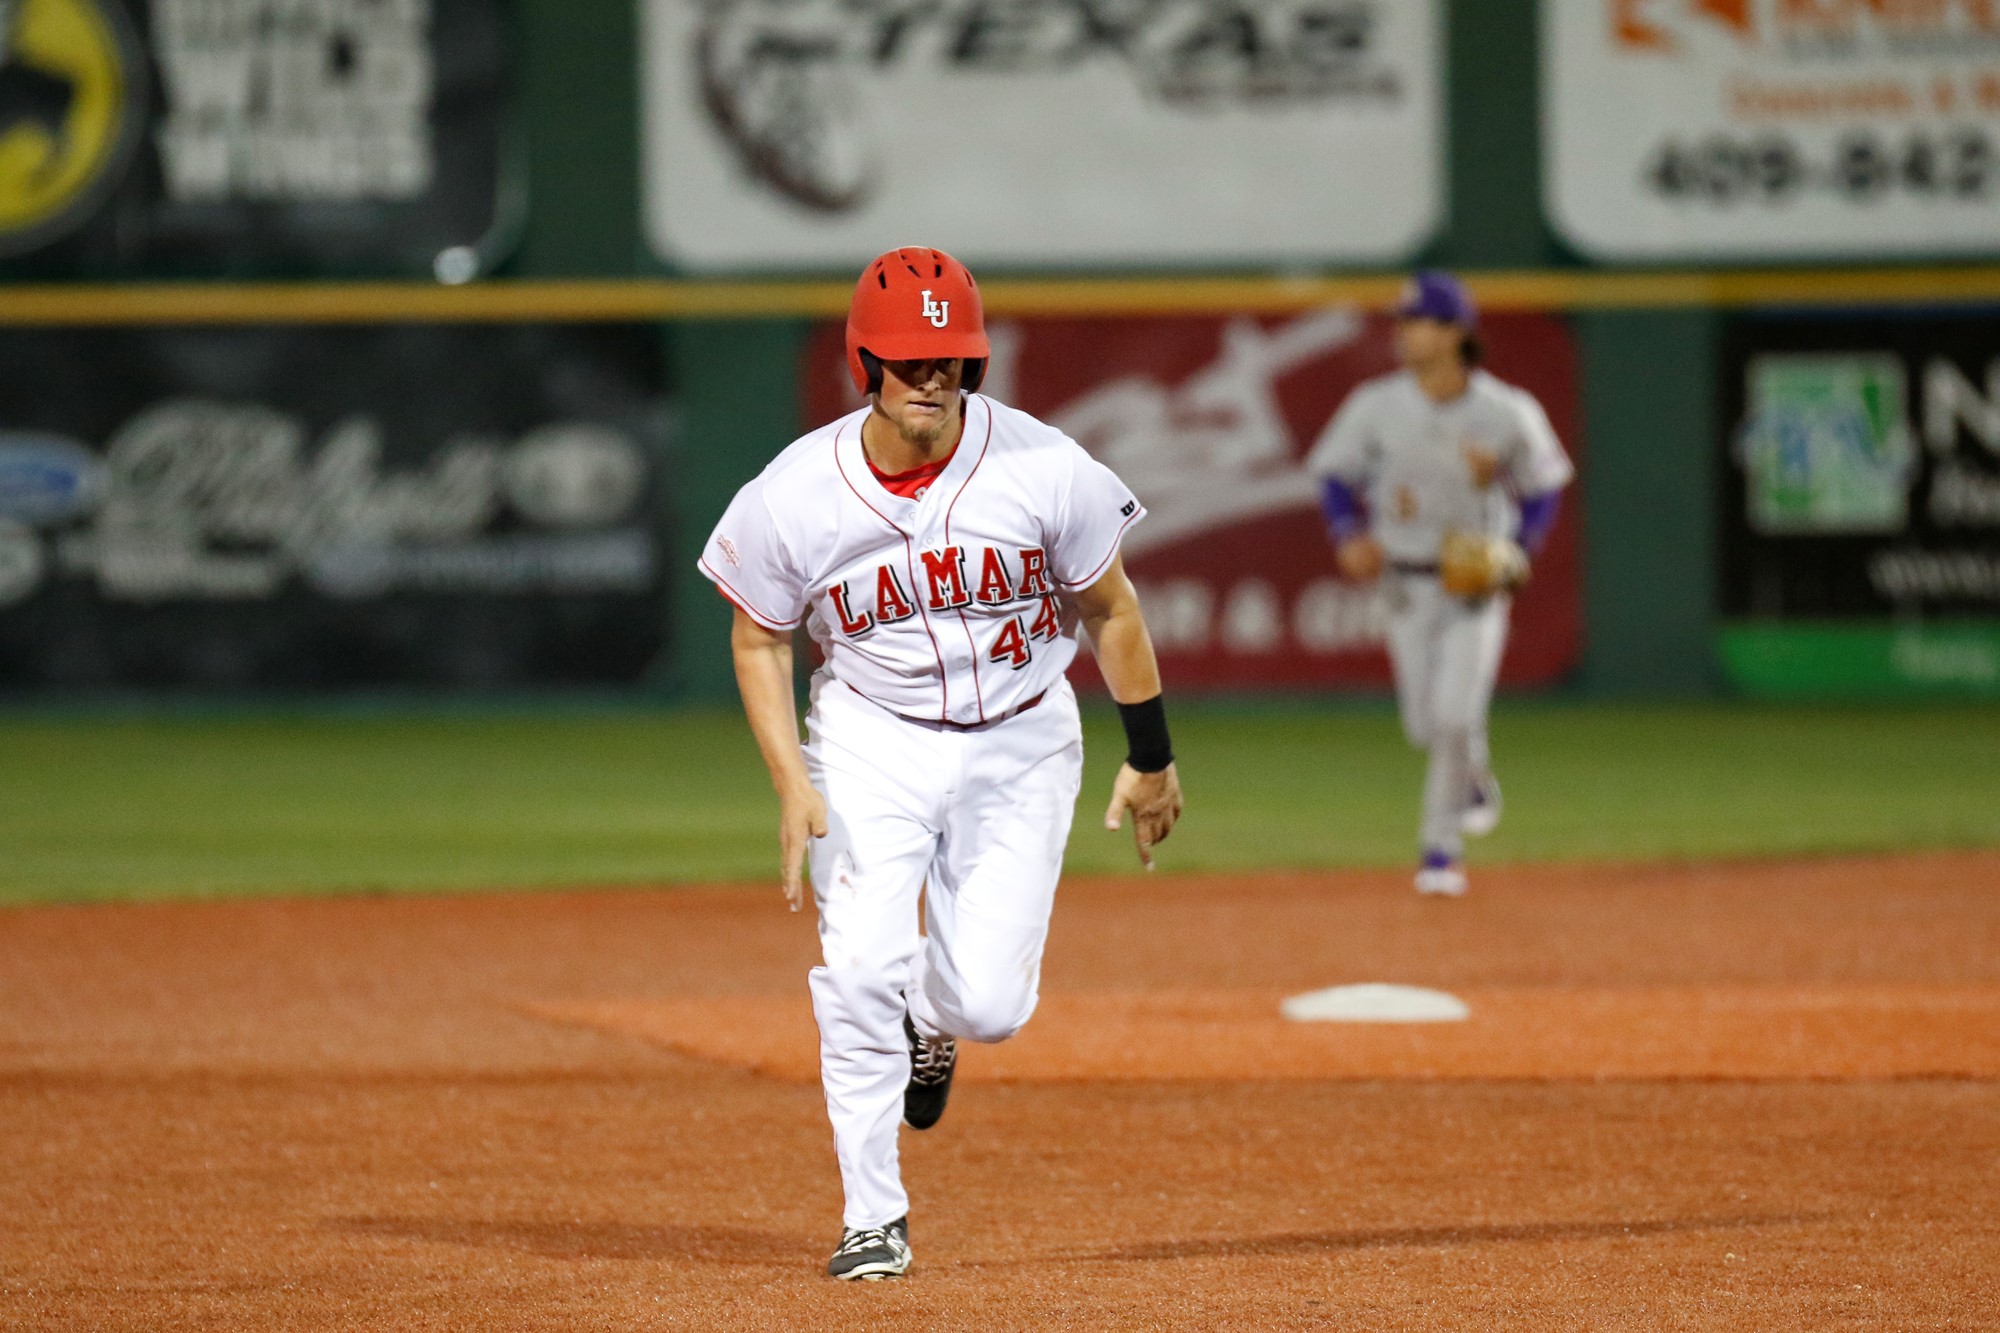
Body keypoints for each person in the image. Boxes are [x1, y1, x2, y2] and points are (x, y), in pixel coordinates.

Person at [699, 246, 1185, 1280]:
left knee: (990, 1009)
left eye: (952, 359)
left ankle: (936, 1018)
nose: (933, 379)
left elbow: (1111, 610)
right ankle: (871, 1214)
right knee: (862, 965)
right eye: (911, 360)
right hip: (872, 738)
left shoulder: (1044, 465)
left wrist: (1150, 758)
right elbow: (756, 635)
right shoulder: (797, 492)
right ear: (862, 361)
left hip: (1021, 738)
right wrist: (792, 780)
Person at [1305, 271, 1573, 897]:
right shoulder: (1376, 404)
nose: (1403, 332)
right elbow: (1334, 475)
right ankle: (1472, 777)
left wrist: (1522, 547)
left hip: (1473, 583)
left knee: (1455, 715)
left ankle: (1439, 852)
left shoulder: (1506, 411)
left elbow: (1545, 486)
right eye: (1401, 321)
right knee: (1426, 727)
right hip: (1403, 582)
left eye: (1417, 321)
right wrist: (1349, 534)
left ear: (1456, 332)